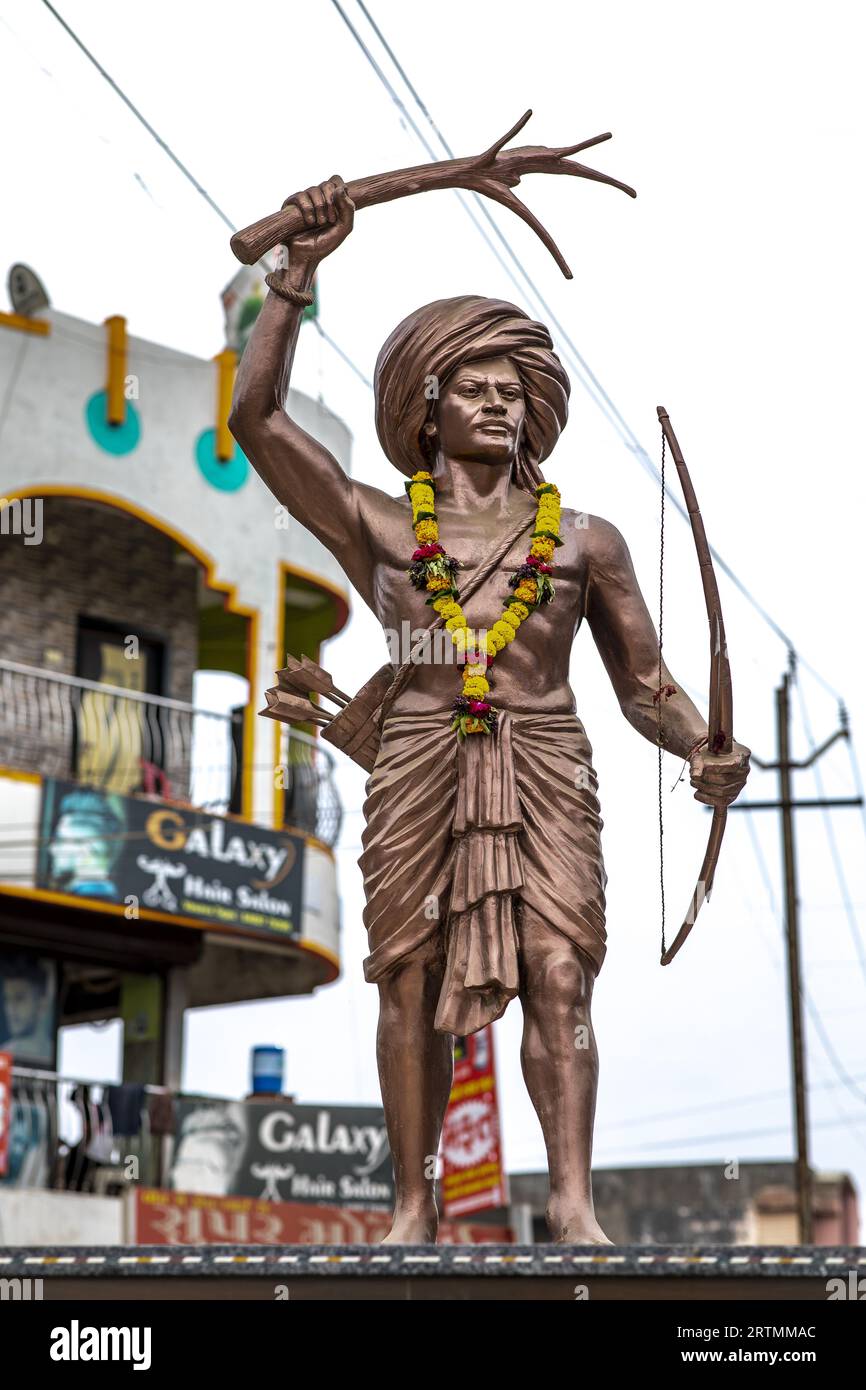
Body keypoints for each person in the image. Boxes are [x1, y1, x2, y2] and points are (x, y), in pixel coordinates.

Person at [229, 177, 751, 1244]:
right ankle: (413, 1205)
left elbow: (642, 684)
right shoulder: (375, 523)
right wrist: (293, 280)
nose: (497, 401)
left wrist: (703, 744)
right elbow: (256, 419)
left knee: (558, 971)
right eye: (471, 385)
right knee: (410, 980)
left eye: (511, 386)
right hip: (420, 755)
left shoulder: (584, 541)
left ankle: (569, 1202)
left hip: (547, 756)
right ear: (425, 406)